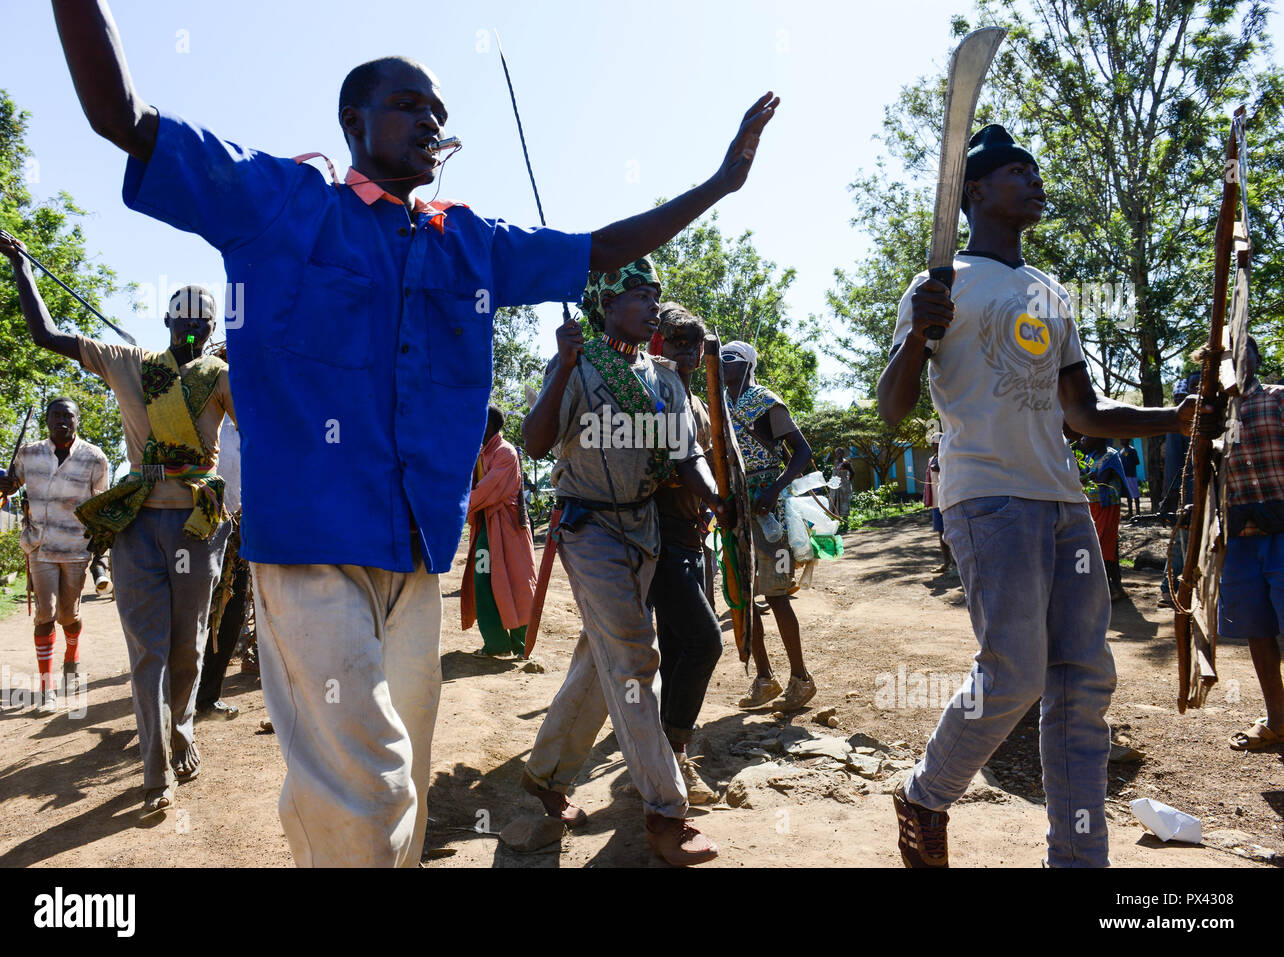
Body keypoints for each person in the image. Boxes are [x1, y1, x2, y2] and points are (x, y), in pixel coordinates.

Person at [49, 0, 776, 866]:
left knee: (396, 790)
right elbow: (120, 118)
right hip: (310, 551)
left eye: (440, 110)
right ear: (352, 120)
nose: (431, 119)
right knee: (374, 790)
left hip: (418, 559)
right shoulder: (278, 201)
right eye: (409, 104)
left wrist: (718, 184)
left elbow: (597, 247)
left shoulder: (469, 242)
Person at [876, 124, 1199, 868]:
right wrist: (915, 335)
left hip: (1062, 502)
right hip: (985, 496)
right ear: (978, 192)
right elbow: (893, 409)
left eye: (1034, 168)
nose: (1033, 178)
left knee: (1083, 683)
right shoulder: (940, 283)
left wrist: (1171, 417)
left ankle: (1079, 859)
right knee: (1014, 670)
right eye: (1016, 170)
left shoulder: (1050, 291)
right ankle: (925, 793)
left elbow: (1083, 415)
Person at [0, 230, 234, 818]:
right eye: (182, 323)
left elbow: (272, 421)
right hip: (137, 528)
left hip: (196, 530)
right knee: (148, 652)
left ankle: (181, 731)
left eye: (196, 325)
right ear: (166, 323)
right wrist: (23, 267)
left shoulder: (222, 377)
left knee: (187, 651)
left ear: (207, 332)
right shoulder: (129, 363)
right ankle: (156, 771)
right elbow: (46, 335)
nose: (188, 332)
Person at [520, 261, 732, 865]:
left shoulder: (665, 380)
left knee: (601, 659)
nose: (651, 304)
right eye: (639, 294)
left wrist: (716, 494)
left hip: (642, 529)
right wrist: (561, 368)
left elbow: (685, 455)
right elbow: (537, 444)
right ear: (607, 306)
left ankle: (545, 775)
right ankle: (667, 812)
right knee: (636, 658)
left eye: (655, 295)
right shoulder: (579, 367)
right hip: (588, 528)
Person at [647, 302, 723, 805]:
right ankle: (672, 754)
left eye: (695, 344)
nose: (689, 352)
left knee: (677, 649)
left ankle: (664, 762)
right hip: (656, 537)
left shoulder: (697, 404)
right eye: (677, 342)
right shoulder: (649, 392)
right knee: (704, 642)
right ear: (658, 344)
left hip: (693, 535)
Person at [0, 398, 109, 713]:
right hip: (39, 547)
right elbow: (12, 485)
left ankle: (71, 656)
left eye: (67, 415)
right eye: (55, 415)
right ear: (47, 420)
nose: (61, 420)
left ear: (77, 420)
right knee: (45, 615)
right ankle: (48, 689)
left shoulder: (94, 458)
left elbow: (101, 508)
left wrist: (101, 552)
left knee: (68, 617)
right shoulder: (28, 453)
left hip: (75, 549)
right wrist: (6, 484)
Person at [720, 341, 816, 712]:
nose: (723, 363)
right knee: (741, 597)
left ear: (747, 366)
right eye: (721, 358)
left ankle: (801, 678)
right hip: (734, 506)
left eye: (731, 358)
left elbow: (802, 452)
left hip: (767, 508)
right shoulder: (717, 405)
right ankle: (764, 679)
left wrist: (775, 490)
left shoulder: (765, 401)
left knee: (776, 595)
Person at [1214, 336, 1284, 752]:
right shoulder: (1209, 416)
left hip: (1283, 533)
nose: (1237, 362)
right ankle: (1277, 721)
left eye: (1244, 353)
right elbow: (1199, 473)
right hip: (1240, 540)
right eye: (1225, 358)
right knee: (1257, 629)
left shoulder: (1277, 400)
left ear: (1257, 359)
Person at [460, 404, 536, 659]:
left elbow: (488, 490)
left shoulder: (505, 453)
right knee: (483, 583)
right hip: (486, 528)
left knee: (516, 583)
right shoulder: (480, 453)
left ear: (489, 425)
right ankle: (496, 643)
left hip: (508, 530)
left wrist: (456, 504)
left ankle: (521, 644)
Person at [196, 410, 244, 720]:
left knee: (232, 614)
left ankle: (208, 696)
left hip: (242, 527)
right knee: (194, 614)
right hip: (199, 523)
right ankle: (177, 698)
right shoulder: (204, 408)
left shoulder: (254, 407)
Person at [1158, 373, 1199, 608]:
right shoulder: (1179, 421)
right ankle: (1169, 589)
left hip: (1200, 492)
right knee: (1183, 541)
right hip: (1186, 493)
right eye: (1194, 386)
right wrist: (1172, 501)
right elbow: (1174, 464)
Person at [1079, 436, 1128, 601]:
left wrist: (1082, 478)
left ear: (1098, 437)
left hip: (1107, 505)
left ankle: (1104, 589)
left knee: (1101, 544)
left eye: (1087, 436)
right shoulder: (1088, 457)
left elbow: (1102, 479)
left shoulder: (1110, 455)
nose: (1083, 439)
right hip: (1092, 504)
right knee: (1107, 544)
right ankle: (1116, 587)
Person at [922, 439, 953, 575]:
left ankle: (956, 563)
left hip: (949, 500)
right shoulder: (931, 459)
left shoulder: (948, 456)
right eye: (933, 443)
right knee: (941, 533)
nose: (935, 445)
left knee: (952, 532)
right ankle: (946, 562)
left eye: (938, 443)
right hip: (936, 502)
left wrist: (940, 467)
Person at [1117, 440, 1141, 516]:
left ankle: (1138, 512)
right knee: (1128, 495)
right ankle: (1130, 513)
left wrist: (1130, 463)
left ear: (1128, 439)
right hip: (1124, 476)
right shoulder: (1121, 452)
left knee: (1135, 494)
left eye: (1123, 438)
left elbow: (1137, 461)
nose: (1121, 440)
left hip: (1131, 475)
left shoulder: (1132, 450)